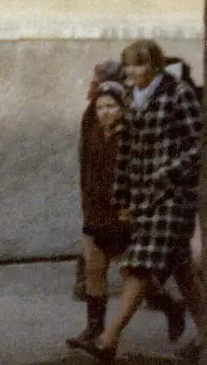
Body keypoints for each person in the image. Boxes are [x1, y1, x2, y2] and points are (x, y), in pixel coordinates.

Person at [77, 39, 203, 365]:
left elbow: (201, 145)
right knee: (183, 272)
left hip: (174, 196)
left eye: (140, 64)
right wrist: (123, 196)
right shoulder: (133, 98)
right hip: (144, 199)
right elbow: (128, 153)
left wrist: (167, 173)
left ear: (156, 65)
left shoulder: (178, 94)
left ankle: (108, 338)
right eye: (129, 65)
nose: (134, 71)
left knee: (142, 263)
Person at [67, 70, 185, 350]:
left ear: (123, 106)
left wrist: (133, 208)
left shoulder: (134, 134)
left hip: (122, 213)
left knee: (132, 273)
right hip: (95, 211)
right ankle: (94, 327)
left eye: (110, 106)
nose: (104, 112)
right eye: (100, 107)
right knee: (94, 269)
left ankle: (170, 306)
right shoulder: (92, 128)